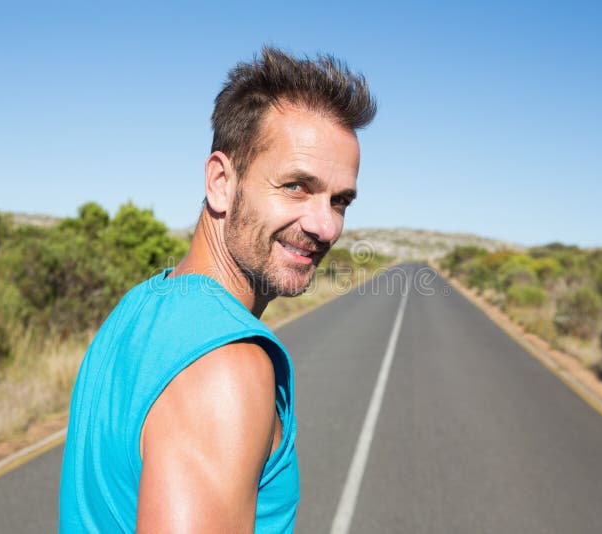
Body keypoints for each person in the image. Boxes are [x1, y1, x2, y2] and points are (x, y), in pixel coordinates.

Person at [59, 46, 376, 533]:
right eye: (296, 186)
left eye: (340, 201)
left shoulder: (140, 305)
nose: (325, 226)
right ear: (221, 182)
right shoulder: (226, 366)